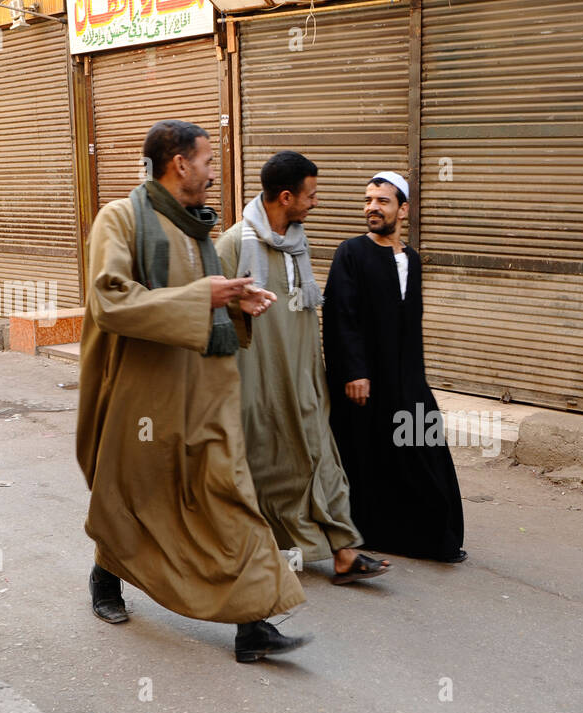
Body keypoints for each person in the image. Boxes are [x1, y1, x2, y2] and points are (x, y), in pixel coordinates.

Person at [77, 120, 311, 663]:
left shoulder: (197, 227)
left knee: (231, 497)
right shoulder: (119, 219)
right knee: (136, 497)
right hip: (146, 396)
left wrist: (232, 303)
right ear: (180, 164)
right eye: (207, 160)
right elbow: (110, 300)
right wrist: (201, 297)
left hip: (209, 389)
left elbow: (198, 300)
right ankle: (106, 576)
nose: (213, 172)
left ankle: (252, 625)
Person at [216, 151, 391, 584]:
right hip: (258, 382)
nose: (315, 203)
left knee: (322, 455)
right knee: (278, 469)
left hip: (303, 374)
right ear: (286, 196)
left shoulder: (298, 241)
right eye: (310, 196)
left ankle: (345, 550)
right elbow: (210, 318)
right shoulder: (235, 244)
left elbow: (305, 310)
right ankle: (276, 552)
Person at [322, 172, 465, 563]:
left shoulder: (412, 260)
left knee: (423, 446)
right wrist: (353, 371)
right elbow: (341, 317)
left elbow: (410, 325)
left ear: (403, 209)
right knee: (366, 460)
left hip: (406, 380)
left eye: (382, 201)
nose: (372, 207)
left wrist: (417, 381)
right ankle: (369, 535)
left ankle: (434, 537)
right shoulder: (350, 252)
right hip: (363, 382)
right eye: (368, 200)